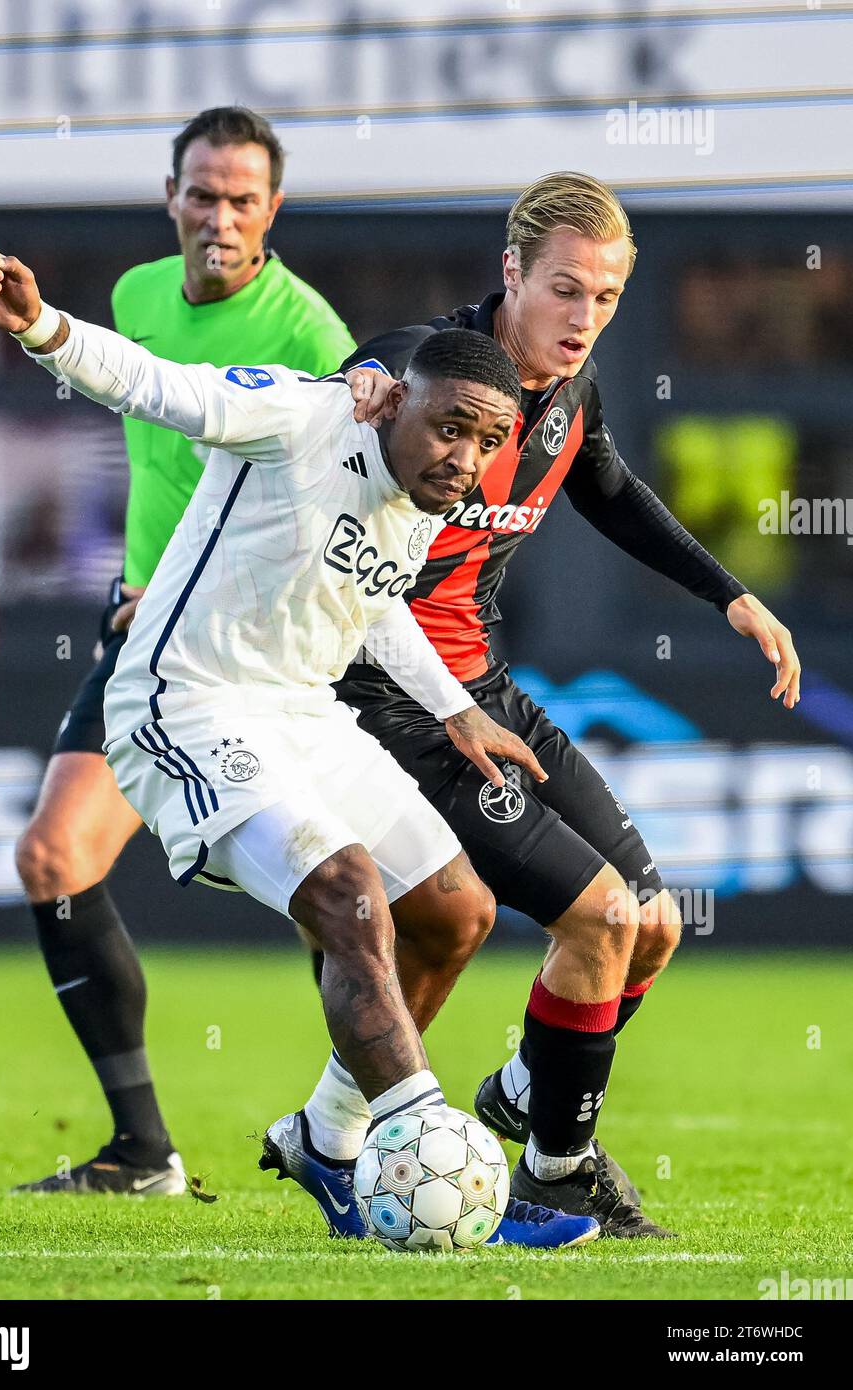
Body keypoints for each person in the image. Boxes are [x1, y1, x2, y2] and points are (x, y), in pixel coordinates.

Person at [0, 249, 599, 1249]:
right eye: (449, 427)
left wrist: (453, 709)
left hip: (303, 712)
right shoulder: (303, 415)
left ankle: (326, 1138)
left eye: (486, 443)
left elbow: (376, 600)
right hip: (188, 705)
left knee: (454, 911)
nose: (465, 461)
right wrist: (43, 326)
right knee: (348, 893)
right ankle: (444, 1172)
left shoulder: (423, 499)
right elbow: (158, 387)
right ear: (391, 405)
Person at [284, 171, 801, 1238]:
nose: (585, 318)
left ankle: (526, 1093)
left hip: (490, 692)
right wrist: (353, 392)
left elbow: (606, 487)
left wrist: (730, 593)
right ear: (510, 270)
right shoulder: (419, 367)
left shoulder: (574, 390)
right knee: (598, 915)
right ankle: (556, 1171)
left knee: (652, 924)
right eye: (566, 290)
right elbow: (310, 441)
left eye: (606, 297)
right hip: (388, 701)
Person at [10, 107, 356, 1194]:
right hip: (143, 636)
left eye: (243, 199)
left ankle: (357, 1132)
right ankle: (144, 1150)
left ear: (274, 211)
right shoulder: (133, 297)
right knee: (54, 860)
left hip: (255, 648)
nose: (219, 216)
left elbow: (347, 504)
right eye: (201, 194)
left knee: (334, 892)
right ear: (171, 197)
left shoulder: (310, 335)